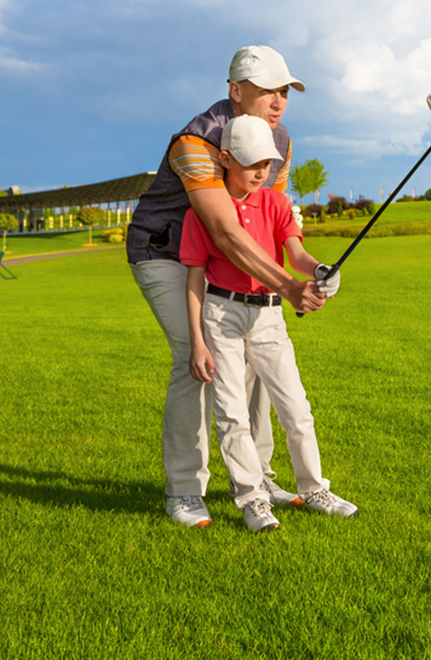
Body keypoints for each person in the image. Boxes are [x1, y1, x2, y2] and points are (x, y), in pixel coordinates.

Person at [126, 46, 327, 527]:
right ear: (236, 92)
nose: (278, 102)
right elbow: (224, 230)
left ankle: (258, 477)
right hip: (165, 252)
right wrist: (289, 285)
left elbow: (266, 221)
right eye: (266, 91)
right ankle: (184, 490)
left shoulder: (279, 138)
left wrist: (302, 269)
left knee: (255, 357)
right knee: (195, 359)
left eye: (285, 92)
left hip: (221, 256)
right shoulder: (194, 142)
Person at [182, 114, 358, 532]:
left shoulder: (277, 204)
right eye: (250, 164)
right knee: (232, 414)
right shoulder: (204, 213)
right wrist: (196, 342)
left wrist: (320, 270)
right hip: (221, 315)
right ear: (225, 159)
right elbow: (193, 279)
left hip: (268, 315)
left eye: (267, 164)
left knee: (296, 407)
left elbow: (296, 256)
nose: (261, 172)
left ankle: (314, 488)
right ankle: (253, 499)